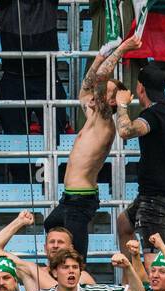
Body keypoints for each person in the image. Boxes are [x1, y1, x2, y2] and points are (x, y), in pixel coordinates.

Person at [42, 35, 136, 261]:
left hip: (81, 199)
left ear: (111, 102)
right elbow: (84, 91)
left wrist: (121, 49)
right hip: (70, 197)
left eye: (104, 92)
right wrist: (99, 58)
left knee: (77, 256)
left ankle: (77, 285)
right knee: (51, 225)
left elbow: (101, 78)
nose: (96, 94)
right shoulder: (94, 115)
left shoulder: (105, 123)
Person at [114, 64, 165, 265]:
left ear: (140, 88)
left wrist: (122, 105)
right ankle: (132, 282)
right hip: (163, 195)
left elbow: (126, 131)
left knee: (154, 260)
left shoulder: (153, 115)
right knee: (124, 224)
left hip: (157, 199)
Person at [0, 0, 67, 135]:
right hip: (13, 77)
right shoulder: (6, 4)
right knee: (14, 139)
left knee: (56, 135)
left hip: (47, 77)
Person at [0, 216, 97, 291]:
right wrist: (20, 221)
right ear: (45, 248)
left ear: (71, 248)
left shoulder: (82, 277)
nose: (55, 245)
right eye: (52, 242)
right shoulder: (30, 273)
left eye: (60, 242)